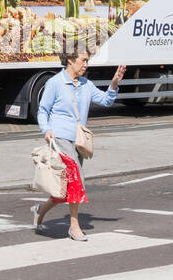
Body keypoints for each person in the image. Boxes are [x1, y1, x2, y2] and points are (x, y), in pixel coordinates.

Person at [34, 51, 126, 240]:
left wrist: (115, 82)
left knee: (65, 188)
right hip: (60, 138)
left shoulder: (86, 85)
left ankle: (40, 209)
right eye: (83, 60)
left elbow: (106, 101)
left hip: (78, 141)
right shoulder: (55, 83)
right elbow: (43, 110)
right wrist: (46, 130)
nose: (86, 65)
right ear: (70, 60)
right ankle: (74, 226)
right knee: (76, 179)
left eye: (87, 61)